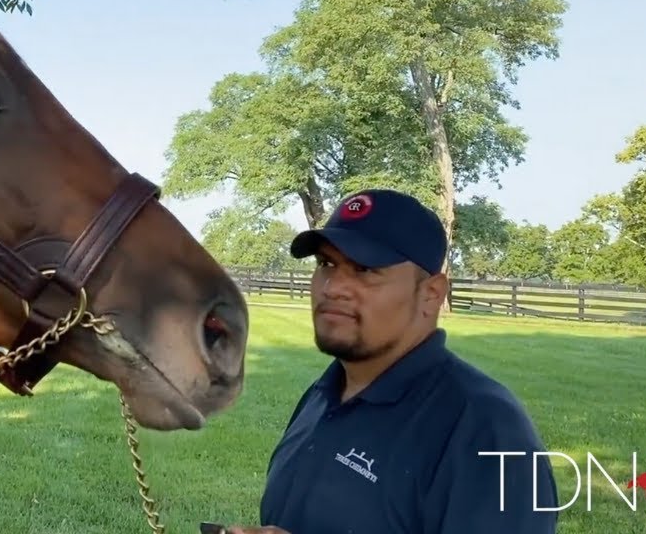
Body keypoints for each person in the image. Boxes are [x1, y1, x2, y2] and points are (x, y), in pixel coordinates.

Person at [220, 189, 559, 534]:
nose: (333, 287)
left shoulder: (488, 432)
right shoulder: (322, 395)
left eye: (365, 268)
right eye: (326, 264)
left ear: (431, 294)